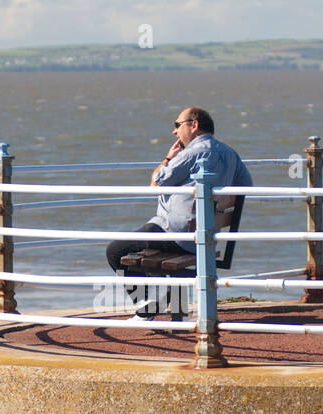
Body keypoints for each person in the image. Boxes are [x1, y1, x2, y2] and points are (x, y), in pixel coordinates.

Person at [105, 106, 253, 318]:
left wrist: (168, 158)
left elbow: (155, 184)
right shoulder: (231, 154)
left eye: (177, 125)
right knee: (147, 240)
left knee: (115, 251)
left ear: (194, 125)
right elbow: (245, 187)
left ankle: (147, 305)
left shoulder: (191, 153)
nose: (174, 132)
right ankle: (169, 306)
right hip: (205, 238)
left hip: (177, 235)